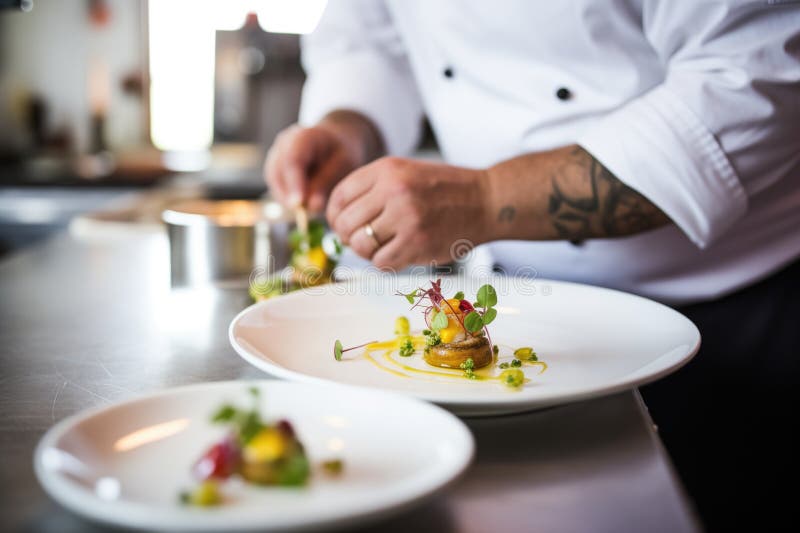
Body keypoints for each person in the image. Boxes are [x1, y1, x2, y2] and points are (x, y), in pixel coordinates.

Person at [264, 2, 800, 530]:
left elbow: (750, 77)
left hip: (737, 309)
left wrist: (488, 197)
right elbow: (369, 35)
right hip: (526, 305)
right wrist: (346, 129)